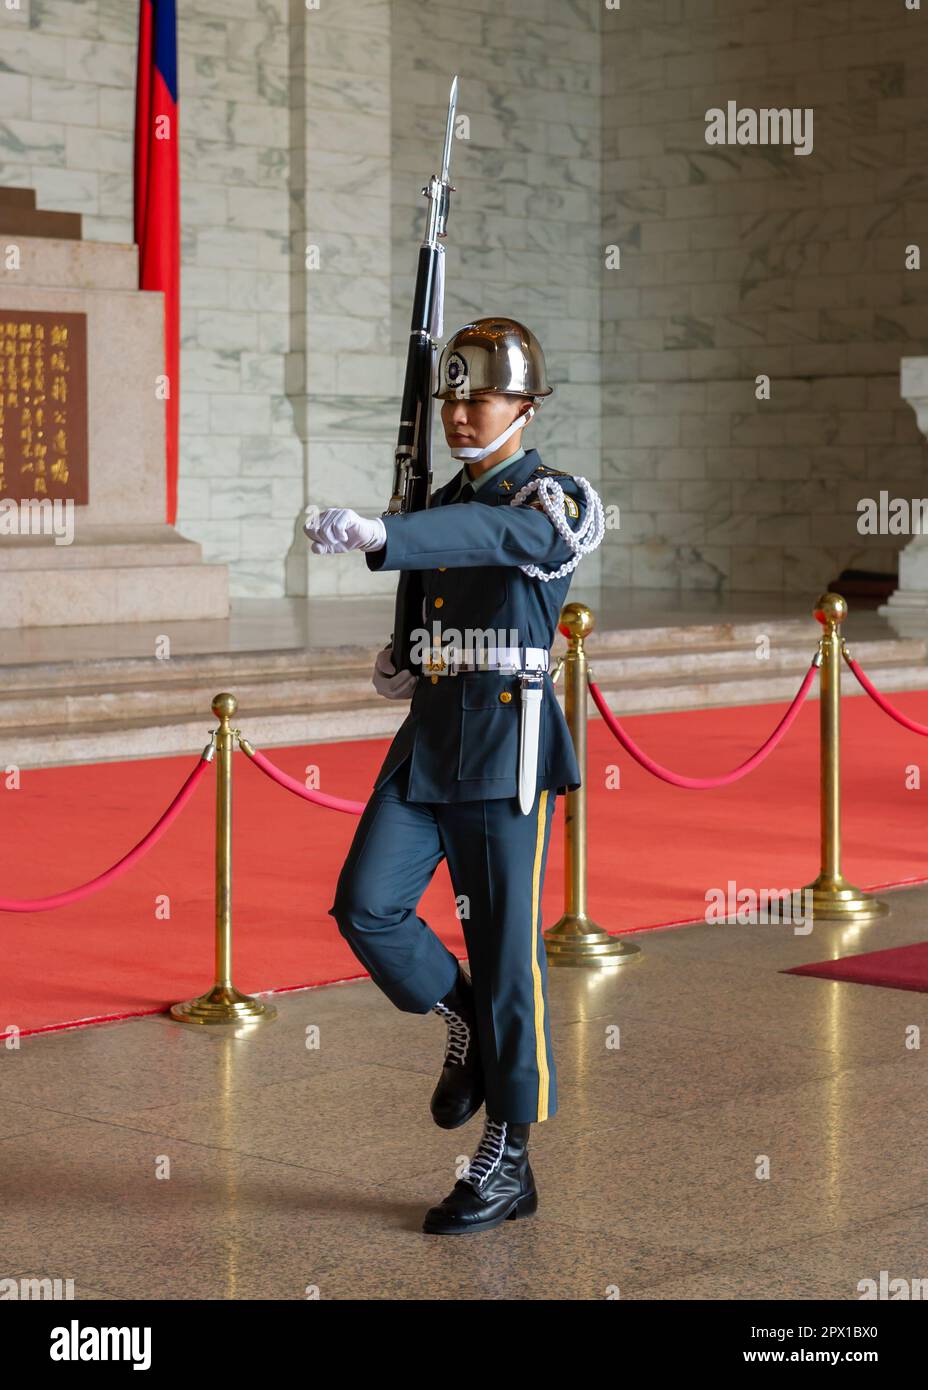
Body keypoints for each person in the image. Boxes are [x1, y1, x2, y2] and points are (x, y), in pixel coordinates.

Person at [303, 317, 603, 1234]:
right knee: (367, 904)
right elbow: (440, 561)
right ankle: (461, 1015)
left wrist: (388, 529)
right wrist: (404, 653)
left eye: (481, 397)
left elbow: (501, 537)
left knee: (508, 953)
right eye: (453, 396)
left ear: (526, 406)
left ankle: (510, 1158)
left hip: (504, 747)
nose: (462, 413)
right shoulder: (437, 495)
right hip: (432, 730)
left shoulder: (560, 498)